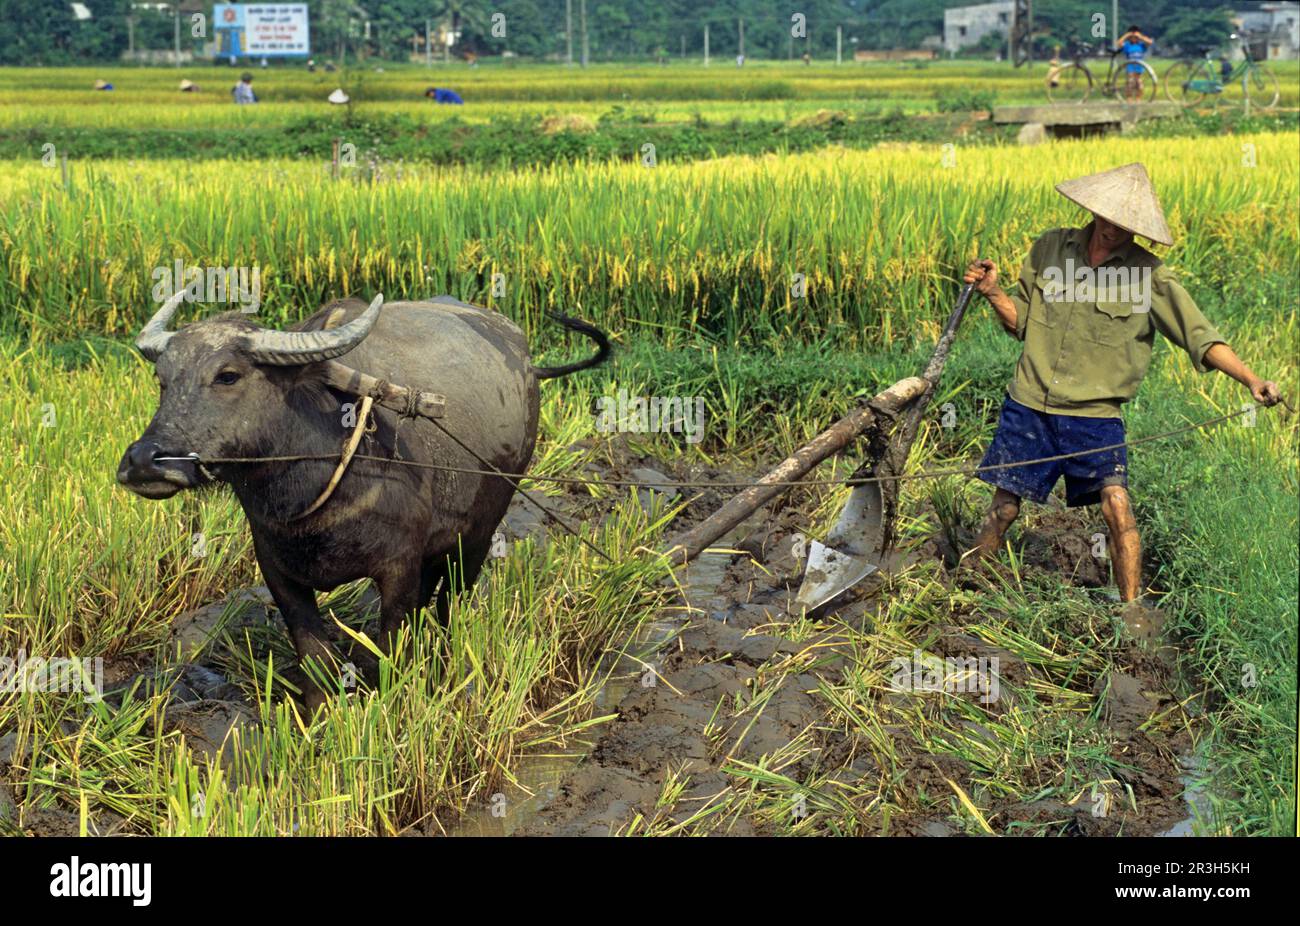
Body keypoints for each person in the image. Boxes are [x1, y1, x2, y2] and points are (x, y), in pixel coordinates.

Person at [962, 163, 1280, 608]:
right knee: (1004, 506)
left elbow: (1200, 337)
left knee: (1117, 507)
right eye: (1108, 218)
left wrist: (1251, 379)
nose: (1113, 230)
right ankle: (969, 585)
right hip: (1031, 402)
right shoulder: (1052, 248)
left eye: (1126, 226)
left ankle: (1131, 613)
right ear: (1093, 210)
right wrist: (995, 293)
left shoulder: (1151, 277)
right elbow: (1024, 323)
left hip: (1094, 415)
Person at [1116, 24, 1153, 101]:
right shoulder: (1127, 45)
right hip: (1130, 67)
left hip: (1139, 67)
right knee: (1130, 83)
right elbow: (1119, 43)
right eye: (1132, 37)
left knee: (1139, 84)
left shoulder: (1141, 45)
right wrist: (1127, 35)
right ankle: (1129, 99)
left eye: (1135, 37)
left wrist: (1140, 36)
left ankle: (1138, 99)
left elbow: (1150, 42)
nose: (1134, 38)